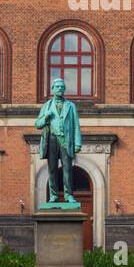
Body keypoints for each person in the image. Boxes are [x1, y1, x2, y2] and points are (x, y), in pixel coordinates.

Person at [35, 77, 83, 206]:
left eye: (62, 87)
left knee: (67, 169)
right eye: (57, 87)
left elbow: (76, 126)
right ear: (52, 89)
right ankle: (53, 196)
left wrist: (78, 143)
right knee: (52, 169)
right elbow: (37, 124)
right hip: (51, 140)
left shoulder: (71, 106)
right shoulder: (46, 106)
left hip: (65, 141)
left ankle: (69, 195)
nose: (60, 89)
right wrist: (46, 117)